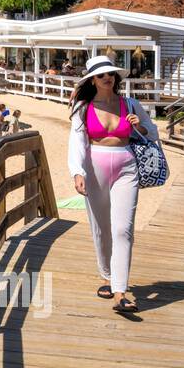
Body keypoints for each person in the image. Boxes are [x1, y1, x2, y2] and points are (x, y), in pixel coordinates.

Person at [67, 55, 158, 316]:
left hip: (126, 166)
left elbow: (152, 134)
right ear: (93, 81)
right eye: (101, 75)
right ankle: (106, 275)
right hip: (94, 168)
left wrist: (138, 125)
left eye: (110, 74)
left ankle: (120, 292)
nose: (107, 78)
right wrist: (77, 172)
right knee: (101, 228)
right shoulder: (82, 108)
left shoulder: (130, 104)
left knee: (123, 229)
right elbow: (77, 142)